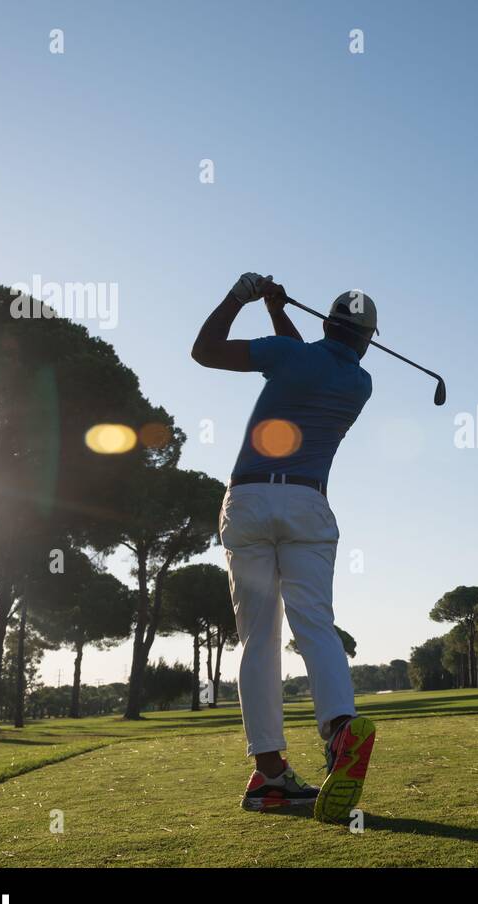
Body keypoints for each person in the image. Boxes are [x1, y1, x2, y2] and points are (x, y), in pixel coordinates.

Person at [191, 272, 378, 822]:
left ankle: (269, 773)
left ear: (326, 322)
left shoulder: (287, 356)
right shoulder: (360, 383)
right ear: (366, 340)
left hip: (248, 501)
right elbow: (307, 356)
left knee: (258, 638)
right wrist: (276, 311)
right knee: (315, 624)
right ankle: (341, 730)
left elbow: (204, 351)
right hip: (307, 505)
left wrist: (242, 297)